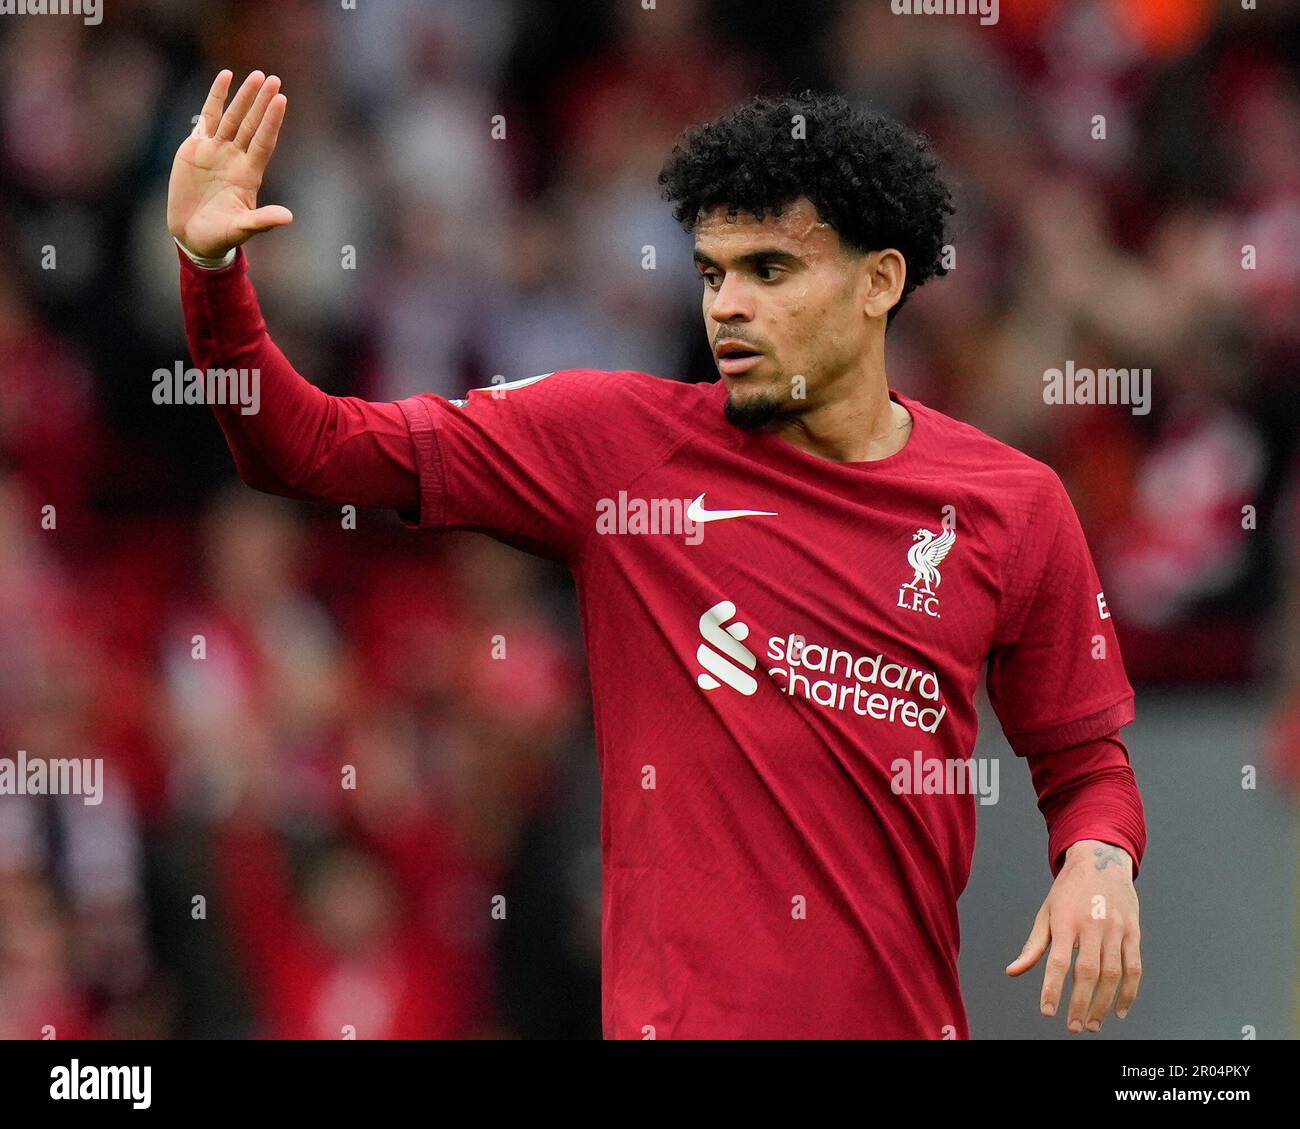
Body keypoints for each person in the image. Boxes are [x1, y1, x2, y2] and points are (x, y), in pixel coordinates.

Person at [168, 70, 1146, 1039]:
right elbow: (307, 448)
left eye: (769, 270)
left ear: (878, 281)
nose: (726, 306)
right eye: (713, 271)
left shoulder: (1011, 506)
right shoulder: (615, 447)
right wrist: (211, 277)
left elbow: (1083, 760)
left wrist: (1098, 860)